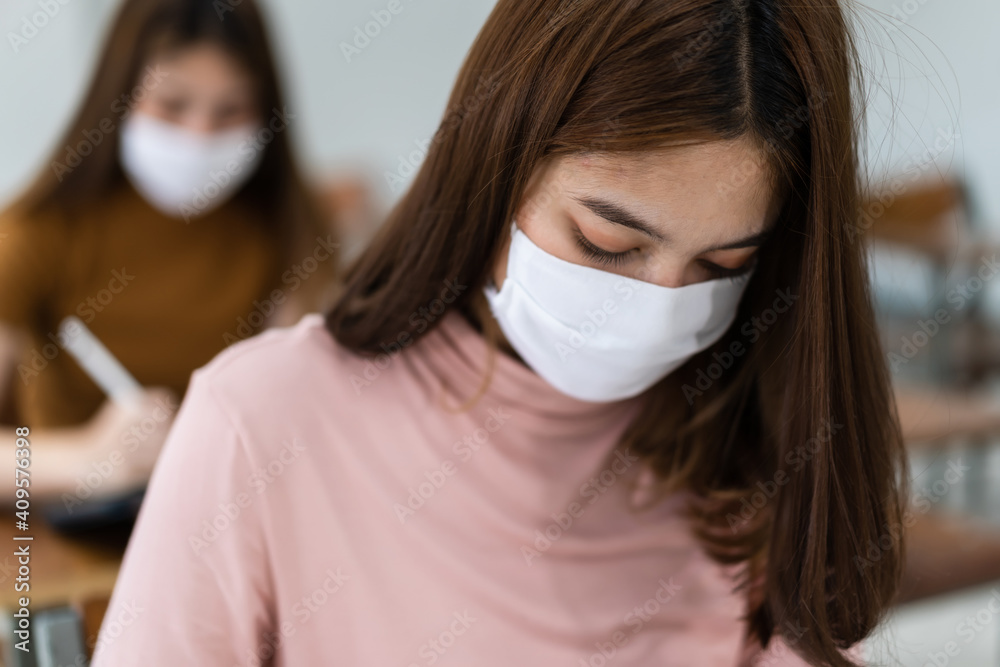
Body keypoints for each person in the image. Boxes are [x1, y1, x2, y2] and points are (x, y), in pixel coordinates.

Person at [92, 0, 905, 665]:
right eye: (606, 244)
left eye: (721, 263)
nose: (661, 309)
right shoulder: (262, 421)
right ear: (493, 169)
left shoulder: (771, 440)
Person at [0, 0, 335, 504]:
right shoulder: (37, 233)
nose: (199, 135)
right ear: (117, 98)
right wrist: (84, 460)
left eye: (230, 111)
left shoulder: (290, 230)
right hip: (73, 547)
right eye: (172, 105)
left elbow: (307, 418)